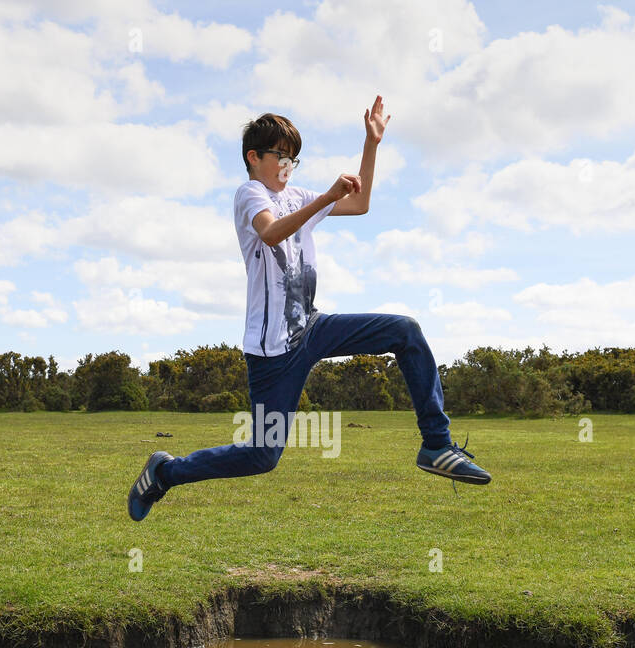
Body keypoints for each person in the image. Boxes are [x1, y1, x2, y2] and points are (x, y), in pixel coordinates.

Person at [129, 95, 489, 521]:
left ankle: (436, 445)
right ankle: (164, 472)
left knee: (405, 330)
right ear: (254, 157)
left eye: (293, 159)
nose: (287, 166)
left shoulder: (297, 194)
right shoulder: (250, 194)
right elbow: (270, 234)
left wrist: (371, 145)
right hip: (273, 351)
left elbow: (360, 203)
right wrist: (322, 199)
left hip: (312, 327)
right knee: (262, 456)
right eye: (281, 156)